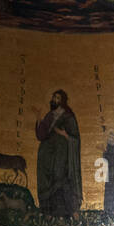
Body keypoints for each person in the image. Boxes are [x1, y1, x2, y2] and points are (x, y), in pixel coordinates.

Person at [34, 90, 82, 218]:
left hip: (61, 155)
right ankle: (47, 212)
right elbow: (41, 135)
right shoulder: (50, 115)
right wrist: (39, 119)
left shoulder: (68, 116)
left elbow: (75, 138)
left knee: (60, 179)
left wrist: (64, 135)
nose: (54, 100)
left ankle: (65, 213)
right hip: (47, 154)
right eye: (54, 97)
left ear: (62, 101)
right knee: (46, 180)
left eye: (57, 98)